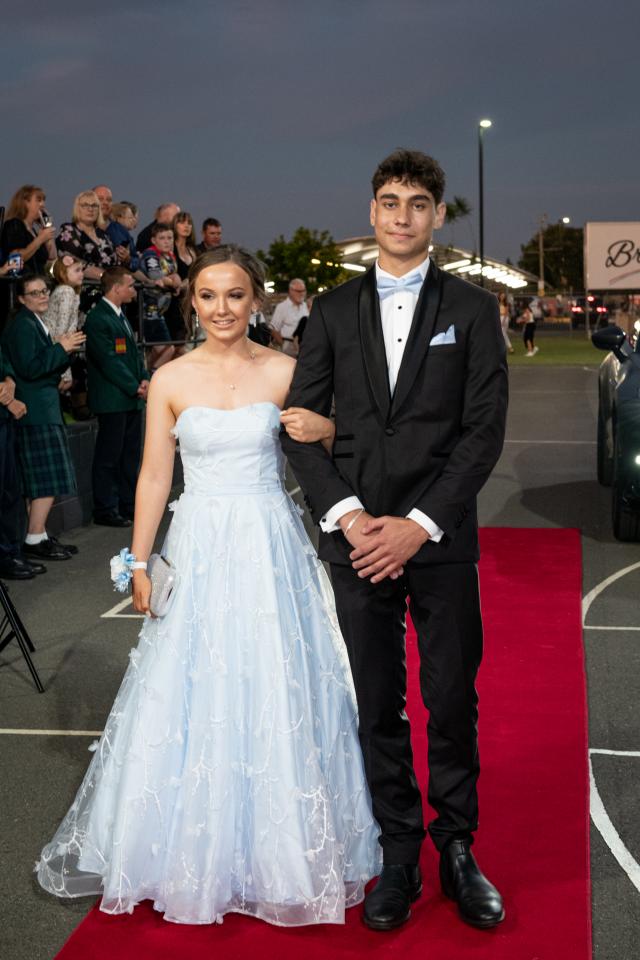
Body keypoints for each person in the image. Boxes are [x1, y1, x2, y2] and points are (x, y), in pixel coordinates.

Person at [36, 245, 381, 926]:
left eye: (234, 295)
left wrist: (332, 425)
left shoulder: (287, 370)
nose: (221, 309)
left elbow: (329, 448)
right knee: (191, 687)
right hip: (197, 546)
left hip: (268, 544)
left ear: (256, 298)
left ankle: (279, 852)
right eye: (206, 296)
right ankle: (185, 850)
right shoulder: (170, 378)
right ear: (191, 301)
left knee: (275, 683)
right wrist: (138, 564)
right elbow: (155, 479)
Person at [281, 148, 508, 932]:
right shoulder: (333, 311)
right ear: (371, 211)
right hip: (357, 540)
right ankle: (399, 851)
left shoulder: (475, 312)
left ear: (436, 215)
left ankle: (456, 847)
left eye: (417, 202)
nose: (402, 215)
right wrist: (349, 516)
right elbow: (301, 430)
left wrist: (415, 526)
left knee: (450, 700)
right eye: (389, 201)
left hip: (438, 541)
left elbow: (481, 435)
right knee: (377, 705)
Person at [1, 276, 85, 561]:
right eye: (34, 292)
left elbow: (40, 365)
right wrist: (61, 348)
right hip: (36, 410)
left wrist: (62, 353)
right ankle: (34, 537)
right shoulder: (23, 325)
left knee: (43, 480)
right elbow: (30, 368)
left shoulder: (33, 322)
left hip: (44, 405)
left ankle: (39, 534)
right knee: (45, 479)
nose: (42, 296)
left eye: (44, 291)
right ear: (21, 298)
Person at [84, 267, 149, 527]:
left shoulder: (120, 315)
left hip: (130, 397)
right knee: (109, 456)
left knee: (129, 454)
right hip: (113, 399)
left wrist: (144, 378)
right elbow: (108, 360)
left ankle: (128, 503)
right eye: (130, 285)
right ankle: (106, 508)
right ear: (116, 288)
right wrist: (135, 386)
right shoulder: (98, 319)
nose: (134, 290)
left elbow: (133, 355)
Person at [0, 343, 44, 580]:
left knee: (10, 492)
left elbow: (4, 361)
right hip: (4, 409)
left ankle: (10, 554)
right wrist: (8, 399)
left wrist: (9, 381)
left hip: (3, 421)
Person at [139, 224, 180, 369]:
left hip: (159, 312)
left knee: (156, 352)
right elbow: (155, 275)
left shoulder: (169, 256)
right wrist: (173, 282)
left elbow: (173, 276)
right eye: (162, 238)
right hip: (148, 312)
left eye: (170, 238)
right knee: (167, 350)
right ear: (153, 240)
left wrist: (174, 279)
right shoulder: (150, 254)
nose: (167, 241)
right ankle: (151, 380)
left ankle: (147, 378)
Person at [56, 191, 117, 287]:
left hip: (109, 287)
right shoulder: (69, 230)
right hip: (81, 288)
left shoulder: (104, 235)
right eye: (85, 205)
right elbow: (76, 262)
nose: (90, 209)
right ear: (77, 209)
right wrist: (107, 278)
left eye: (94, 206)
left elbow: (115, 263)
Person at [0, 184, 57, 276]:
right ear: (25, 202)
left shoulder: (35, 231)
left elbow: (52, 256)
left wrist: (47, 229)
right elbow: (16, 258)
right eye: (38, 200)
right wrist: (40, 239)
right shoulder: (14, 224)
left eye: (43, 200)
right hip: (22, 283)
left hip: (40, 282)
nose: (43, 204)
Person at [270, 279, 308, 357]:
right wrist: (283, 345)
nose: (302, 294)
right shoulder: (282, 307)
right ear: (291, 291)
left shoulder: (306, 306)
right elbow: (273, 329)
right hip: (288, 345)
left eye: (303, 291)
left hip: (305, 347)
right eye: (299, 291)